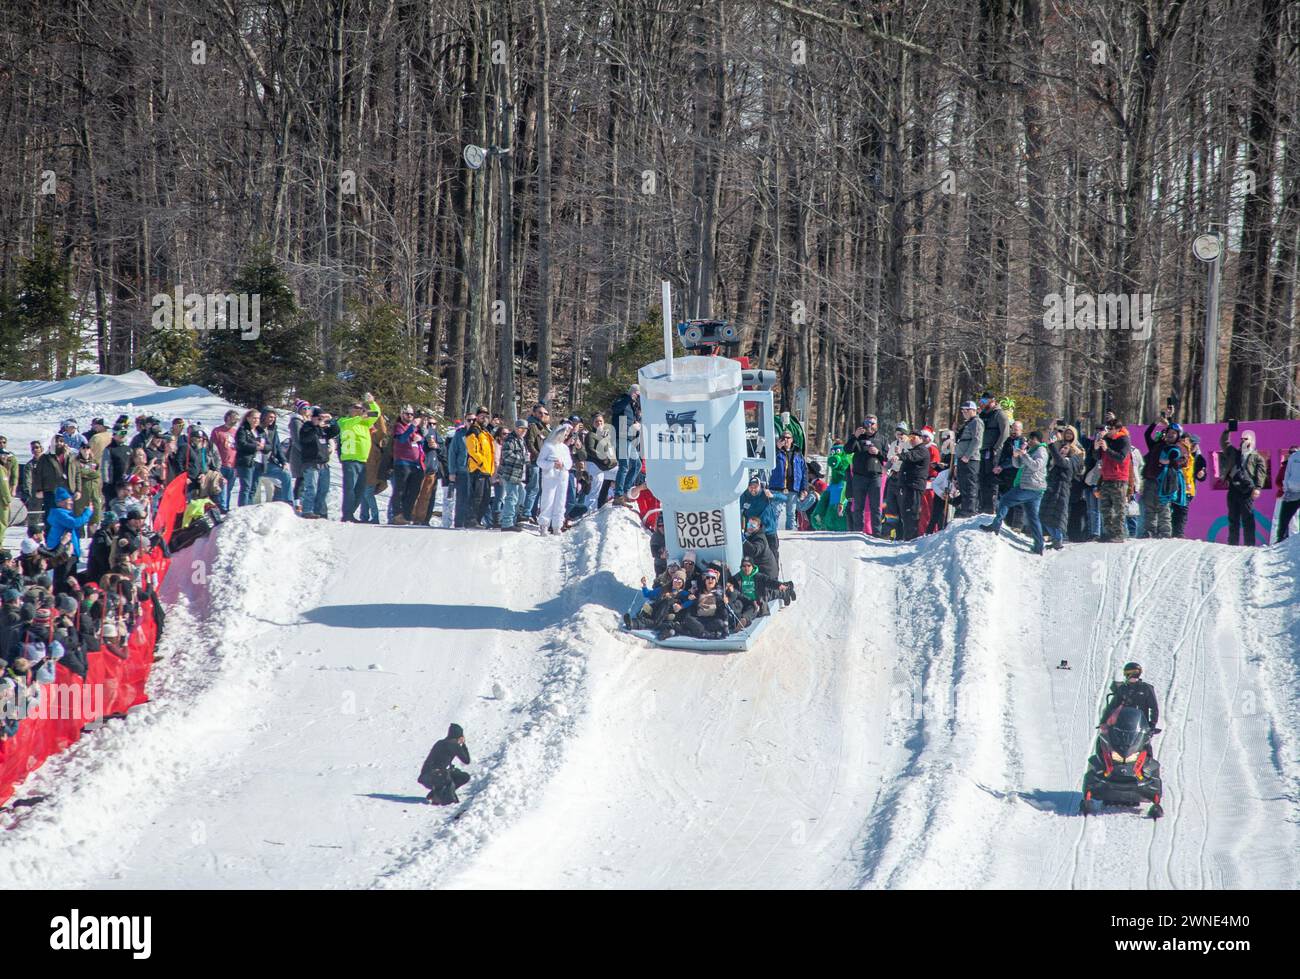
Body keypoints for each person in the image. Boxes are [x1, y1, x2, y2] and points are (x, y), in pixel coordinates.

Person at [979, 429, 1048, 554]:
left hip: (1031, 486)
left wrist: (1024, 454)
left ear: (1037, 440)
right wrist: (1016, 456)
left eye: (1032, 439)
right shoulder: (1031, 451)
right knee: (1033, 517)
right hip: (1030, 486)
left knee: (1005, 500)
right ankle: (1039, 546)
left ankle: (996, 525)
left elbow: (1036, 466)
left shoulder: (1041, 450)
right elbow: (1018, 465)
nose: (1029, 441)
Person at [1220, 428, 1268, 546]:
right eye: (1242, 439)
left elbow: (1261, 473)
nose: (1243, 441)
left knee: (1248, 519)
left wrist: (1257, 488)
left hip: (1247, 491)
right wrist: (1227, 431)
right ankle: (1232, 544)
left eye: (1246, 439)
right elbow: (1224, 443)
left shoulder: (1257, 457)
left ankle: (1249, 544)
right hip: (1233, 489)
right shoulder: (1234, 453)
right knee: (1233, 518)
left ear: (1252, 441)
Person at [337, 393, 381, 522]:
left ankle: (350, 512)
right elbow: (347, 425)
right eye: (356, 407)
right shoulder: (344, 421)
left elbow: (376, 413)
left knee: (360, 489)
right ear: (350, 409)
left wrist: (372, 402)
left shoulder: (364, 423)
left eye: (360, 408)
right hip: (350, 459)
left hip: (362, 460)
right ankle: (347, 515)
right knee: (349, 488)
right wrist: (361, 416)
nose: (358, 410)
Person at [1099, 662, 1160, 753]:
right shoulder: (1122, 689)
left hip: (1140, 727)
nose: (1132, 675)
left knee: (1146, 747)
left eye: (1135, 672)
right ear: (1125, 674)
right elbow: (1112, 706)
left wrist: (1152, 725)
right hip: (1122, 726)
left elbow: (1154, 708)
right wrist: (1104, 722)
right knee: (1104, 741)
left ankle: (1147, 765)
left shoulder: (1146, 688)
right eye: (1129, 673)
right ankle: (1101, 765)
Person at [1041, 425, 1083, 550]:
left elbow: (1062, 462)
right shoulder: (1059, 458)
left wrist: (1052, 446)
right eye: (1062, 447)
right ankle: (1055, 538)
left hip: (1062, 489)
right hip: (1053, 488)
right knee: (1044, 515)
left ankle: (1058, 539)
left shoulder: (1072, 460)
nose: (1062, 449)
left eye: (1065, 448)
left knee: (1058, 517)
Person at [843, 416, 887, 534]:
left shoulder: (882, 439)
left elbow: (887, 456)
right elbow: (847, 450)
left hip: (875, 477)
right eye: (867, 423)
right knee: (858, 507)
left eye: (872, 423)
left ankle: (877, 533)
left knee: (876, 507)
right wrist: (854, 436)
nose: (870, 426)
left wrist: (878, 452)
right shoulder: (858, 438)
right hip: (859, 477)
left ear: (876, 425)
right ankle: (858, 532)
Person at [297, 407, 340, 519]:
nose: (321, 420)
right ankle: (307, 510)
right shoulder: (307, 427)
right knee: (311, 488)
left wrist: (331, 420)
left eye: (322, 417)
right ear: (313, 418)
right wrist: (316, 425)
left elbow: (336, 431)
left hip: (324, 463)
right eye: (318, 417)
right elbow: (306, 439)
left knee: (323, 489)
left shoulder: (323, 430)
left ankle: (320, 511)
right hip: (311, 463)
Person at [1095, 418, 1133, 542]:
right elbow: (1097, 457)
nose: (1108, 431)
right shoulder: (1106, 439)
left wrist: (1107, 449)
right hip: (1106, 477)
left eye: (1111, 429)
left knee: (1119, 508)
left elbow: (1121, 457)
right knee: (1105, 507)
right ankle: (1108, 532)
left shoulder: (1124, 439)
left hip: (1119, 478)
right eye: (1107, 428)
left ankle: (1119, 533)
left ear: (1117, 429)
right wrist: (1096, 448)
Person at [417, 723, 471, 806]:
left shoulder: (440, 743)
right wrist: (463, 744)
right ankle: (439, 795)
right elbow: (466, 760)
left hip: (426, 776)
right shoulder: (454, 745)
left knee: (451, 775)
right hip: (435, 777)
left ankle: (436, 793)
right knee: (464, 777)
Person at [536, 421, 573, 535]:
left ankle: (557, 525)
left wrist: (563, 464)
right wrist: (552, 464)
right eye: (564, 435)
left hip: (562, 477)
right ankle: (544, 525)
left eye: (567, 436)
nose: (565, 437)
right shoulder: (548, 446)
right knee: (548, 500)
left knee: (561, 501)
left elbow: (569, 462)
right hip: (549, 477)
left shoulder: (565, 448)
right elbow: (540, 461)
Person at [896, 430, 931, 540]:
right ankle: (907, 536)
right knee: (906, 512)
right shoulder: (914, 450)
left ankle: (911, 537)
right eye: (910, 437)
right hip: (908, 485)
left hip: (915, 485)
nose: (911, 440)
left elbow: (912, 456)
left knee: (912, 512)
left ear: (920, 438)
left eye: (913, 438)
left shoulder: (922, 450)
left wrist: (900, 455)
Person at [977, 393, 1010, 514]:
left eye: (985, 400)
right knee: (982, 478)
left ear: (992, 401)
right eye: (982, 400)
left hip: (993, 451)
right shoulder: (982, 414)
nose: (983, 402)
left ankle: (991, 507)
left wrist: (996, 448)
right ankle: (983, 505)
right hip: (981, 450)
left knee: (991, 479)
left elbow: (1004, 433)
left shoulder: (999, 414)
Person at [465, 407, 496, 526]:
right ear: (477, 417)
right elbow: (473, 450)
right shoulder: (474, 431)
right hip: (478, 469)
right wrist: (481, 462)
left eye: (486, 416)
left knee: (485, 497)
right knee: (477, 496)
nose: (484, 418)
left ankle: (477, 519)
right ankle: (471, 519)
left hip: (487, 470)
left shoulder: (485, 432)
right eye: (482, 415)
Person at [610, 385, 642, 499]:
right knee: (624, 465)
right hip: (621, 437)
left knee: (637, 465)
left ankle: (625, 491)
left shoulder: (634, 406)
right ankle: (618, 495)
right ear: (633, 392)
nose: (638, 397)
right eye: (638, 395)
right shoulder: (623, 399)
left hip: (628, 439)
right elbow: (615, 408)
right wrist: (629, 398)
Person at [771, 431, 807, 531]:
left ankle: (790, 534)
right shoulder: (776, 452)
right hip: (778, 487)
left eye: (788, 438)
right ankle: (772, 534)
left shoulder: (798, 453)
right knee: (775, 512)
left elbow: (804, 471)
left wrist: (804, 488)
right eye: (783, 438)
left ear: (792, 439)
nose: (785, 440)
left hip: (793, 487)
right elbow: (768, 459)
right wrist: (776, 448)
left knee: (791, 514)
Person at [499, 419, 530, 532]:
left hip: (518, 474)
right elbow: (507, 455)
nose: (523, 431)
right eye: (520, 428)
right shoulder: (510, 440)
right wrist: (522, 459)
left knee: (521, 495)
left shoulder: (521, 440)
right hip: (510, 474)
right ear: (516, 428)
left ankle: (512, 519)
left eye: (525, 429)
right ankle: (507, 523)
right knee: (511, 497)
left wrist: (526, 458)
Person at [583, 412, 618, 511]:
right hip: (594, 465)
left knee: (619, 474)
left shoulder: (605, 435)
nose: (599, 423)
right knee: (595, 488)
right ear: (592, 423)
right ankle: (589, 511)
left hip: (605, 466)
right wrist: (603, 457)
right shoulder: (591, 434)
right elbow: (590, 449)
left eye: (601, 421)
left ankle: (615, 498)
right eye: (596, 421)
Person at [954, 401, 983, 518]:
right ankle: (965, 507)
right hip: (962, 458)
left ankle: (970, 508)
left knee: (970, 483)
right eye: (963, 410)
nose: (964, 413)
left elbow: (977, 440)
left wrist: (968, 455)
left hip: (970, 459)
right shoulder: (967, 424)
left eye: (966, 410)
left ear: (973, 410)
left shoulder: (976, 422)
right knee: (963, 484)